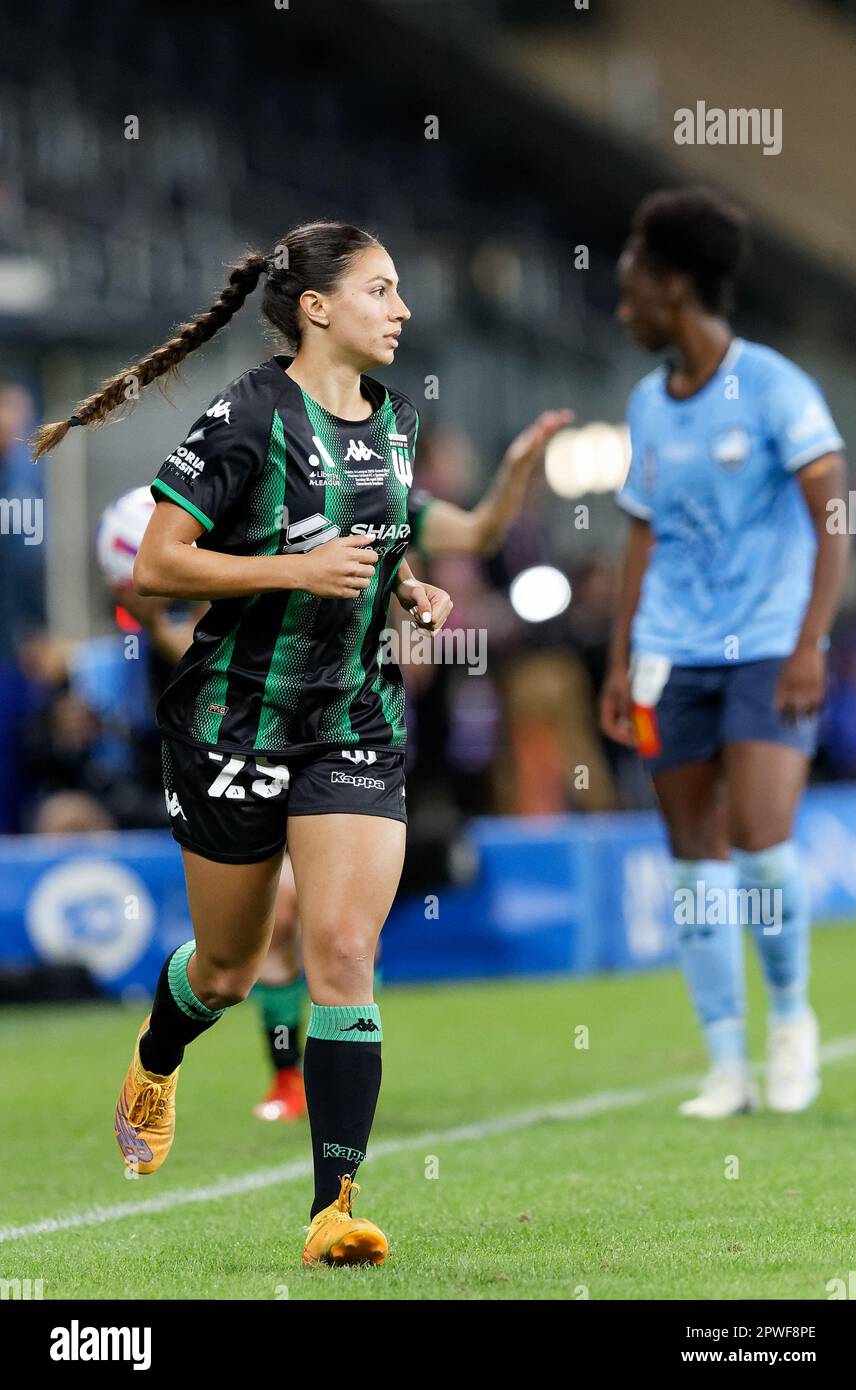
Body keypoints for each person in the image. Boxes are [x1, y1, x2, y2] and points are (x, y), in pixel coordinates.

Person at [33, 221, 452, 1267]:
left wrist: (406, 584)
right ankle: (157, 1053)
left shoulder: (397, 421)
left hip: (352, 718)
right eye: (380, 290)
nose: (400, 310)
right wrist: (291, 576)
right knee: (224, 969)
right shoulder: (246, 416)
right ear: (315, 307)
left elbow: (374, 541)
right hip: (230, 722)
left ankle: (332, 1208)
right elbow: (156, 573)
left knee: (341, 954)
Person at [248, 406, 573, 1119]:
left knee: (336, 921)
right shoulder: (263, 479)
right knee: (274, 921)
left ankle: (339, 1069)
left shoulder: (392, 501)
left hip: (359, 725)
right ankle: (283, 1073)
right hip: (265, 720)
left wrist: (515, 475)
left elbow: (479, 531)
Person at [600, 187, 848, 1119]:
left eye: (631, 295)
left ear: (674, 288)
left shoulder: (776, 385)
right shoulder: (646, 403)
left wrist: (809, 640)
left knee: (760, 837)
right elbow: (639, 537)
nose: (623, 311)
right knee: (694, 858)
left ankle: (790, 1022)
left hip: (770, 648)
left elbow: (834, 509)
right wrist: (622, 661)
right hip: (673, 650)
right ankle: (726, 1063)